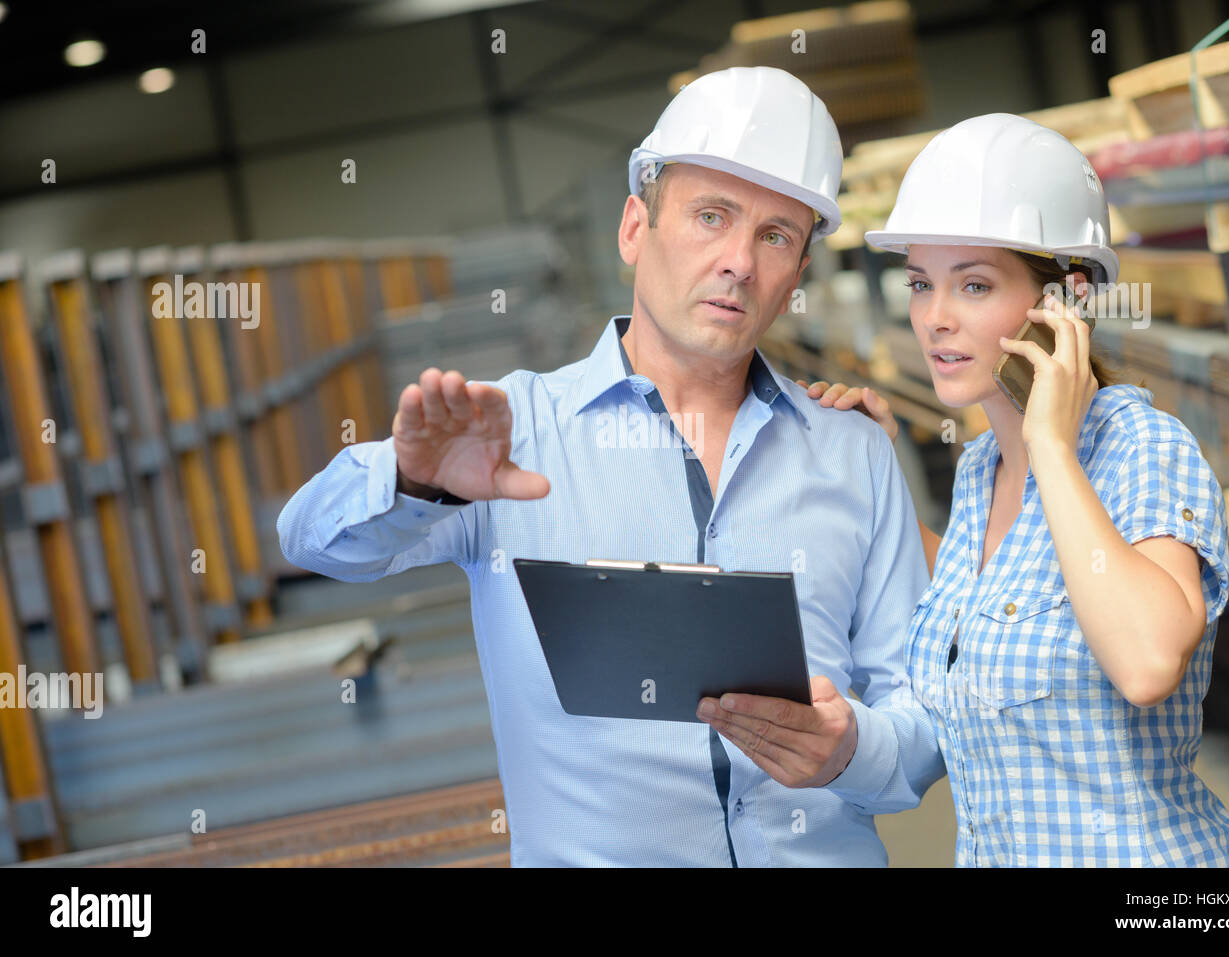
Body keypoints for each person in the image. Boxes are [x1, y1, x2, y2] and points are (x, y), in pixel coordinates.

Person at [278, 66, 944, 866]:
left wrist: (850, 750)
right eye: (710, 216)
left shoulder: (853, 451)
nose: (739, 260)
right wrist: (418, 482)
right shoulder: (510, 435)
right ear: (635, 228)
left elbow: (924, 725)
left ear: (798, 272)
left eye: (776, 236)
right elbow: (311, 540)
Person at [801, 113, 1229, 866]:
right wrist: (870, 485)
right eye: (920, 284)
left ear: (1063, 297)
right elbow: (984, 602)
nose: (935, 318)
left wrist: (1052, 447)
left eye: (973, 284)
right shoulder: (979, 472)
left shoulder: (1140, 449)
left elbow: (1148, 663)